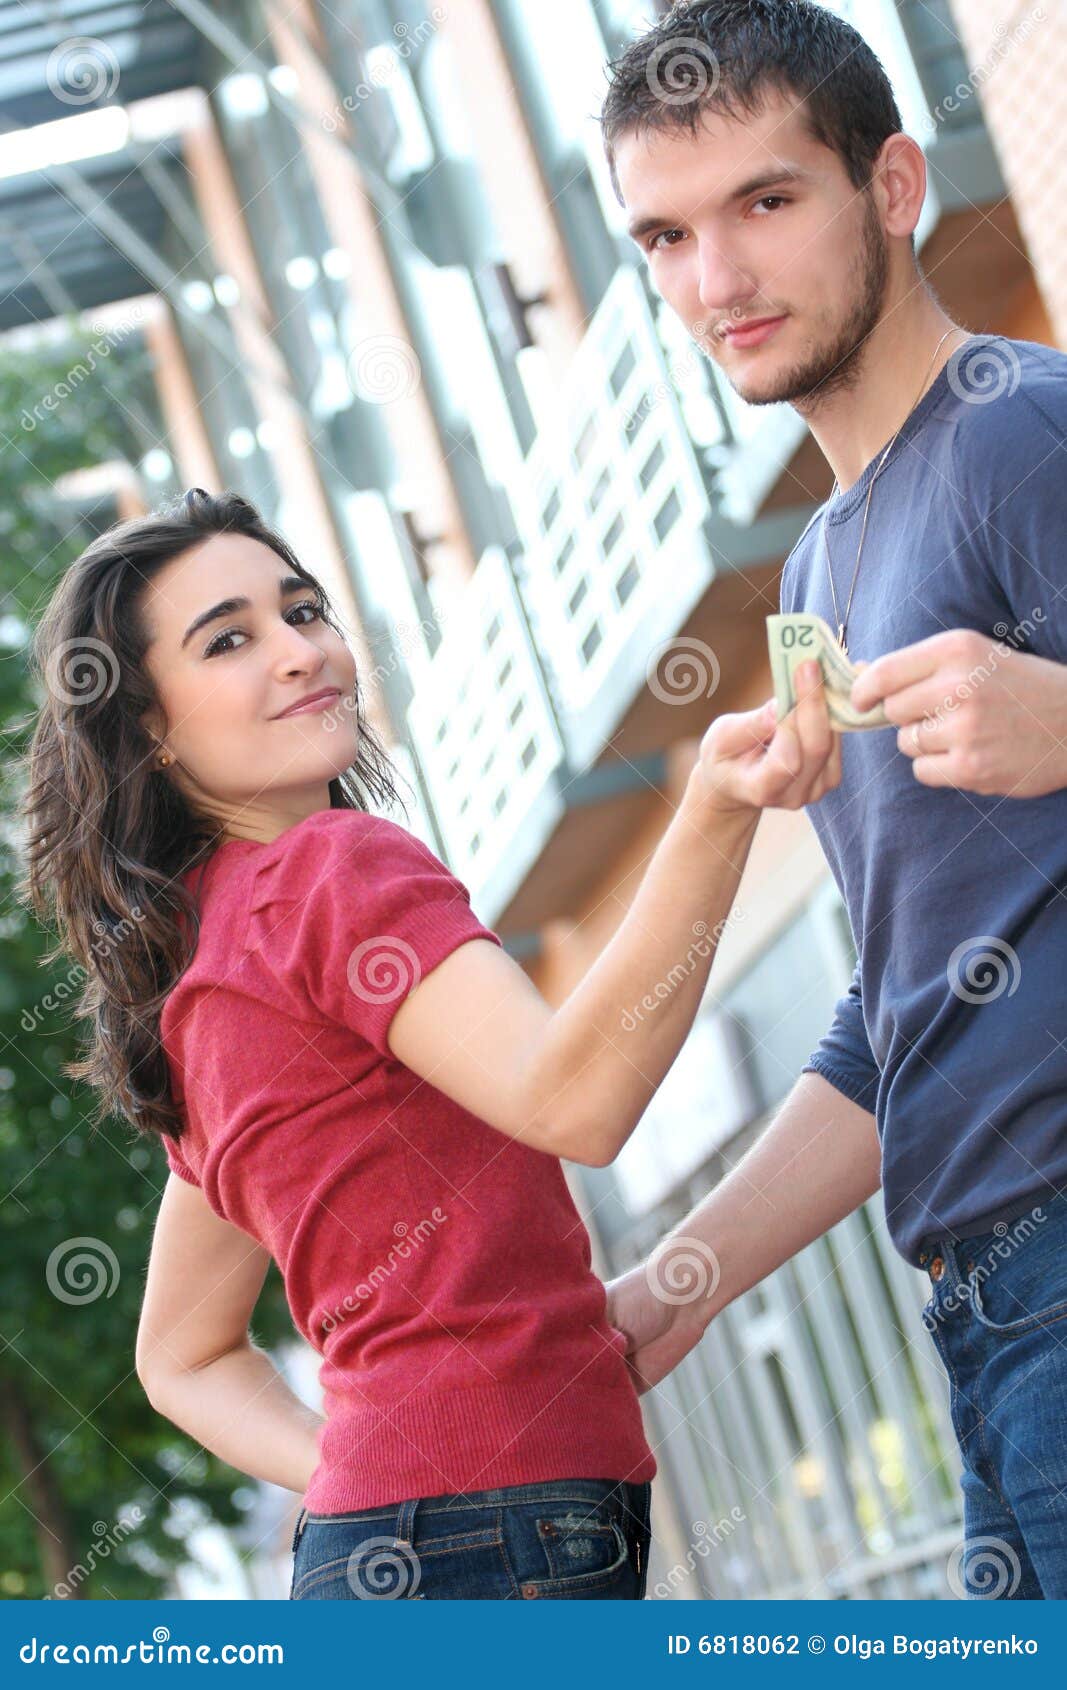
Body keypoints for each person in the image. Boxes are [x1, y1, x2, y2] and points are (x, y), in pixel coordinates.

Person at [17, 486, 837, 1600]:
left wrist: (372, 1465)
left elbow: (181, 1356)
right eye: (230, 640)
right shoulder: (332, 869)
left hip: (393, 1550)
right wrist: (713, 811)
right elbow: (576, 1100)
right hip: (497, 1541)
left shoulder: (205, 977)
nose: (301, 653)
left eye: (303, 612)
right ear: (149, 730)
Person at [599, 0, 1067, 1599]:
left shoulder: (1020, 428)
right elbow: (905, 1009)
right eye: (664, 234)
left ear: (889, 185)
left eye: (763, 202)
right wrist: (681, 1275)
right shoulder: (815, 567)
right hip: (986, 1315)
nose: (712, 282)